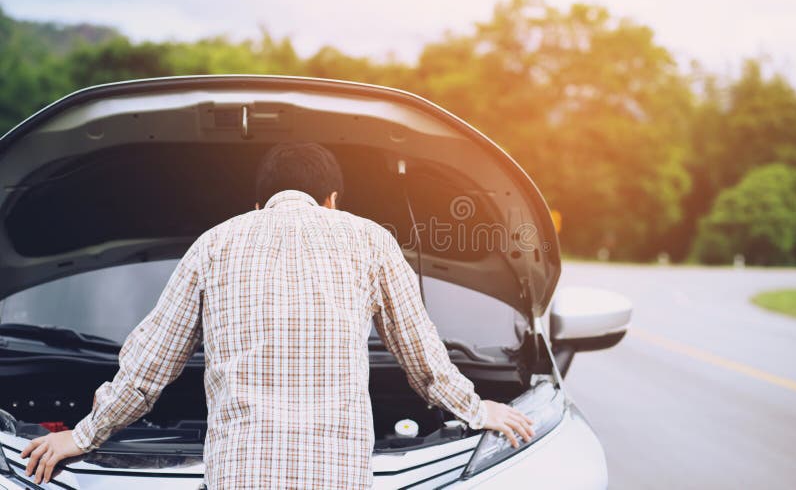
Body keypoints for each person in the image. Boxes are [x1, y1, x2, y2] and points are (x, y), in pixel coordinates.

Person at [22, 142, 534, 488]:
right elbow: (421, 355)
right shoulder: (370, 240)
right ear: (332, 200)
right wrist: (474, 408)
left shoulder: (215, 244)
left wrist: (82, 434)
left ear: (258, 203)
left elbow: (148, 369)